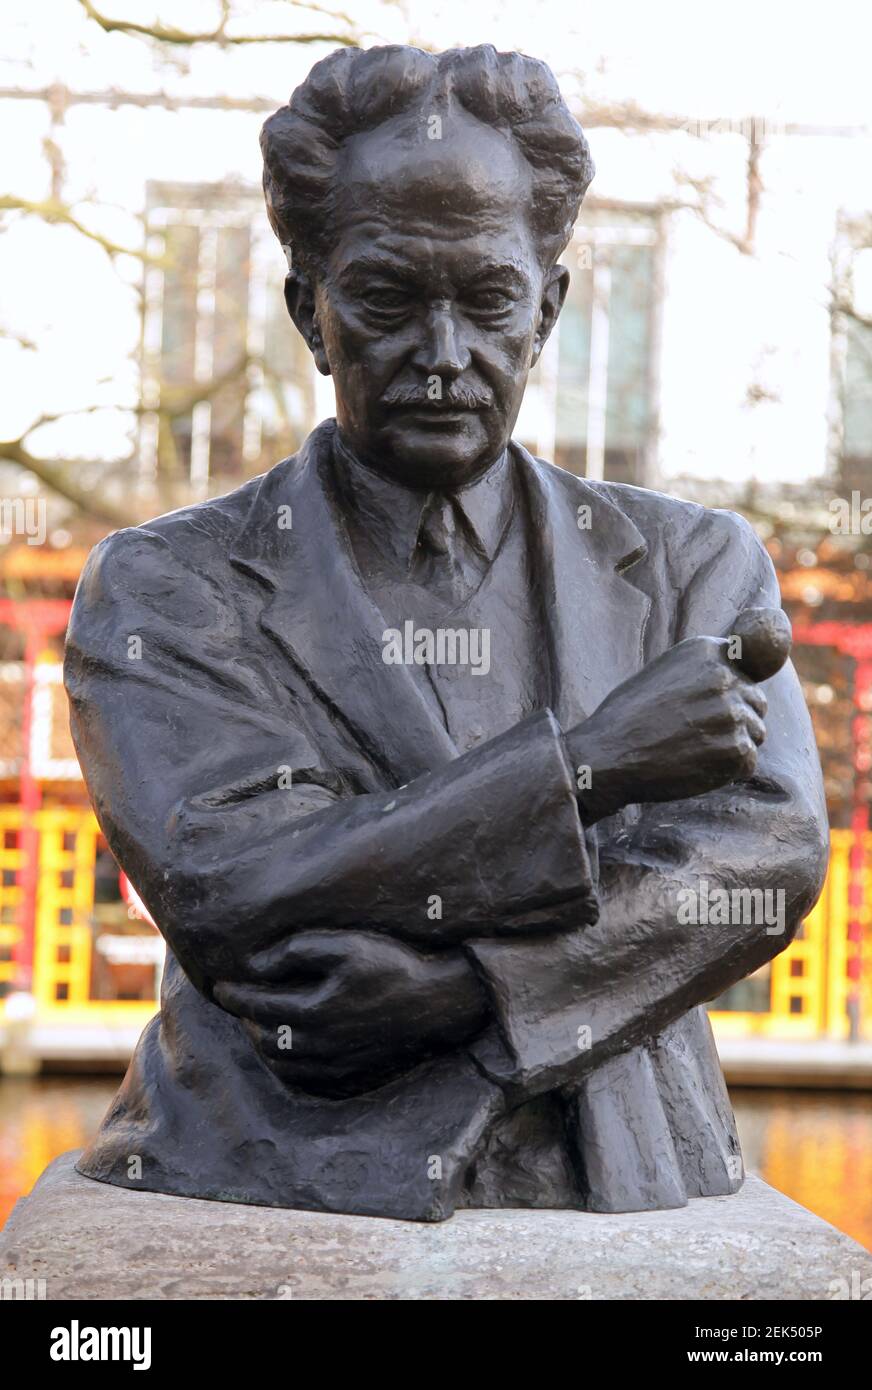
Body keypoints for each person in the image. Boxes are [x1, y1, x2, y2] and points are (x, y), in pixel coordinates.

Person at [65, 45, 828, 1220]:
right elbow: (234, 879)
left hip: (620, 1157)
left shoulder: (693, 565)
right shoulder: (168, 583)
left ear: (548, 311)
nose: (439, 357)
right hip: (262, 1157)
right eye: (383, 299)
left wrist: (474, 994)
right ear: (306, 312)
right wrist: (589, 766)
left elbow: (758, 859)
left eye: (484, 300)